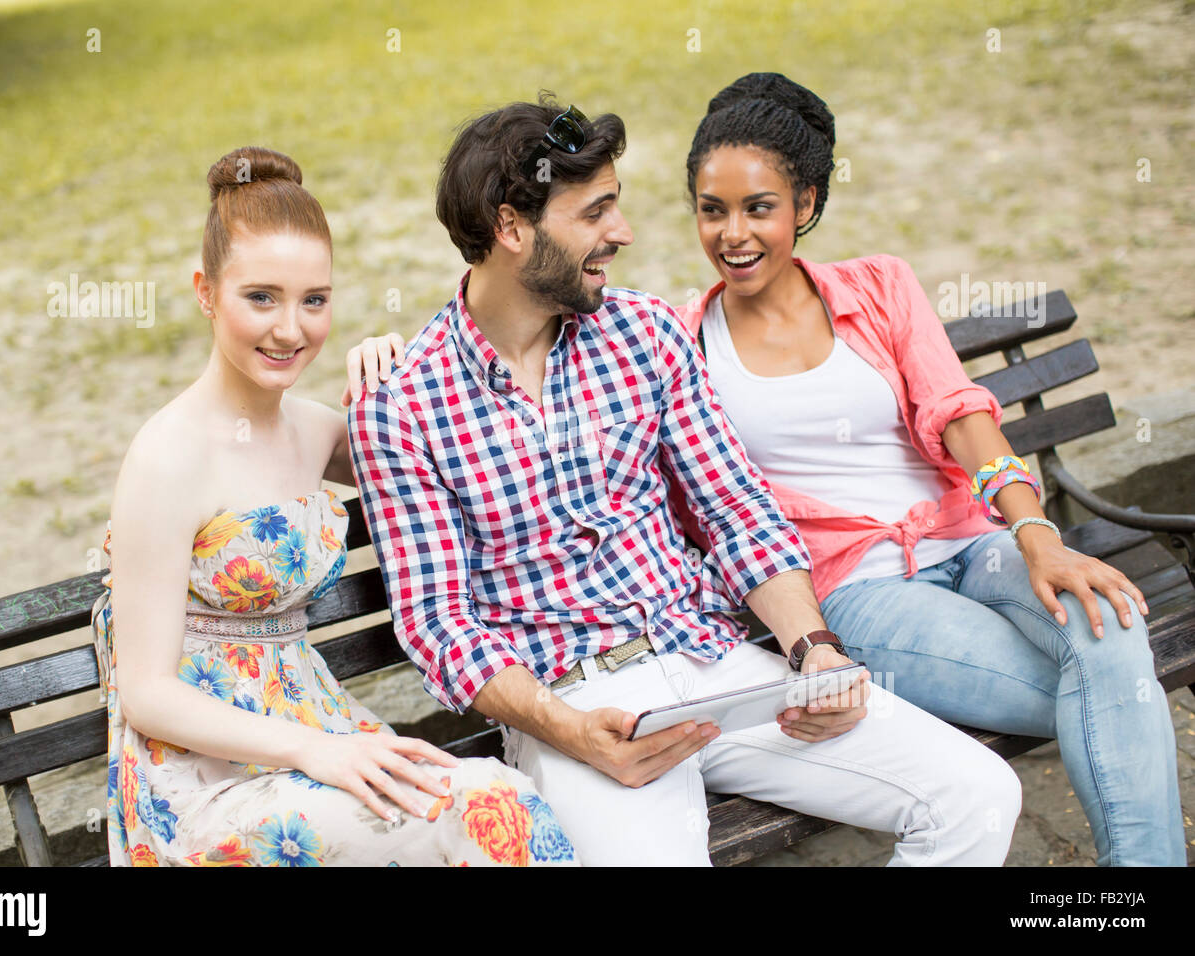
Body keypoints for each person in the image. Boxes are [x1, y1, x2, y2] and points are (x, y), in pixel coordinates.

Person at [347, 95, 1022, 867]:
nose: (622, 233)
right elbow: (439, 625)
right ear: (511, 228)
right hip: (569, 701)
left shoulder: (646, 332)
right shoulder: (402, 404)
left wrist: (814, 650)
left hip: (718, 667)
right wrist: (571, 733)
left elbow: (737, 511)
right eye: (595, 212)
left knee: (976, 793)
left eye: (619, 206)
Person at [670, 72, 1185, 865]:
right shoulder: (679, 342)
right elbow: (531, 332)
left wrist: (1038, 536)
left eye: (758, 207)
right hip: (859, 593)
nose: (732, 233)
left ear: (805, 205)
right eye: (713, 209)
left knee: (1108, 632)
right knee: (1119, 685)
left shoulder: (878, 286)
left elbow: (959, 411)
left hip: (970, 543)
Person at [89, 145, 578, 867]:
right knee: (482, 808)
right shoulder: (166, 457)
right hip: (204, 781)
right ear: (204, 291)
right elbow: (149, 695)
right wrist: (315, 751)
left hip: (315, 732)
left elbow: (462, 458)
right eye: (261, 297)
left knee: (501, 801)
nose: (291, 330)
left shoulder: (318, 430)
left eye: (313, 301)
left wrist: (394, 374)